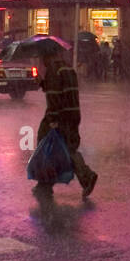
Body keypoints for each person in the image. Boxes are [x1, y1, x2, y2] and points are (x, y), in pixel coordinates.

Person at [36, 51, 97, 198]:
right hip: (73, 114)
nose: (42, 62)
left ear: (47, 58)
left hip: (60, 116)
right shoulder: (67, 69)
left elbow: (54, 96)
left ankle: (85, 176)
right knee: (67, 147)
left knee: (46, 145)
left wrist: (52, 119)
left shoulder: (53, 72)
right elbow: (62, 89)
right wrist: (43, 83)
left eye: (43, 58)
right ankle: (46, 182)